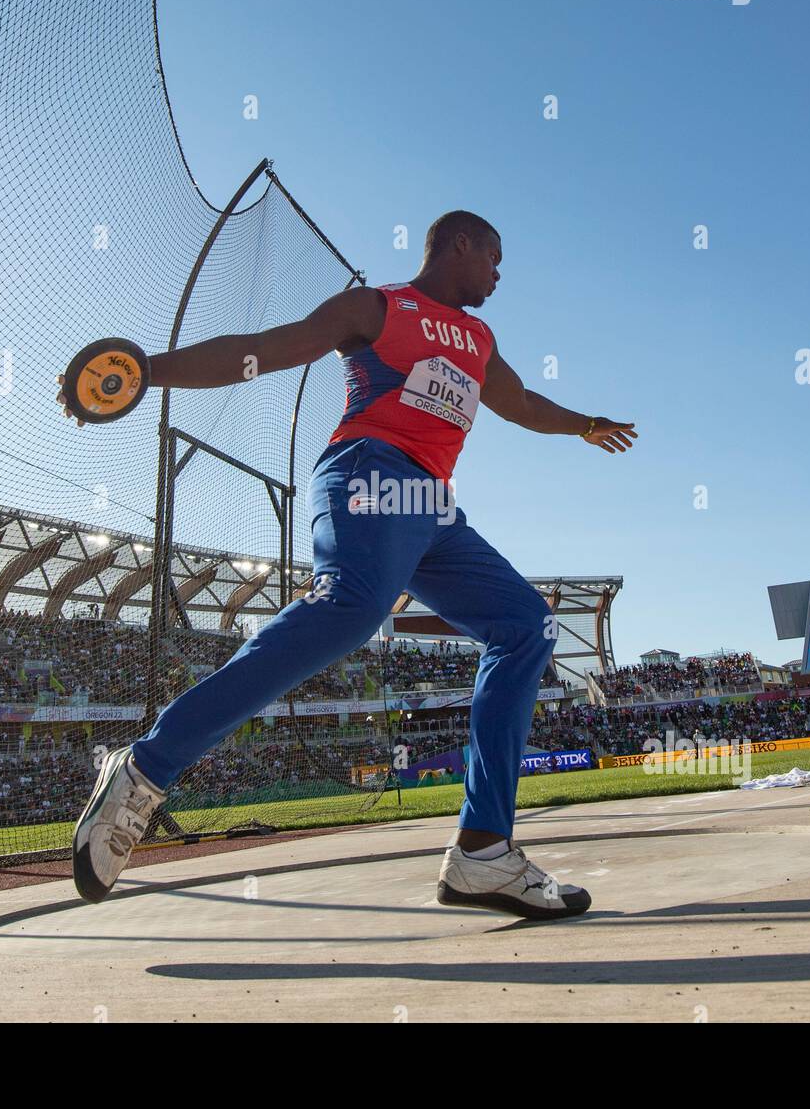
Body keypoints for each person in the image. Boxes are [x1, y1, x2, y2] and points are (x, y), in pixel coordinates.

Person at [61, 211, 637, 919]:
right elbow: (263, 350)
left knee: (526, 627)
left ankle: (483, 852)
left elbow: (519, 405)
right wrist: (150, 370)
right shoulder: (378, 306)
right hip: (368, 471)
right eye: (494, 255)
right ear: (458, 244)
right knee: (353, 608)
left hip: (431, 507)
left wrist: (583, 423)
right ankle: (147, 766)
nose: (498, 272)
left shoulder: (481, 341)